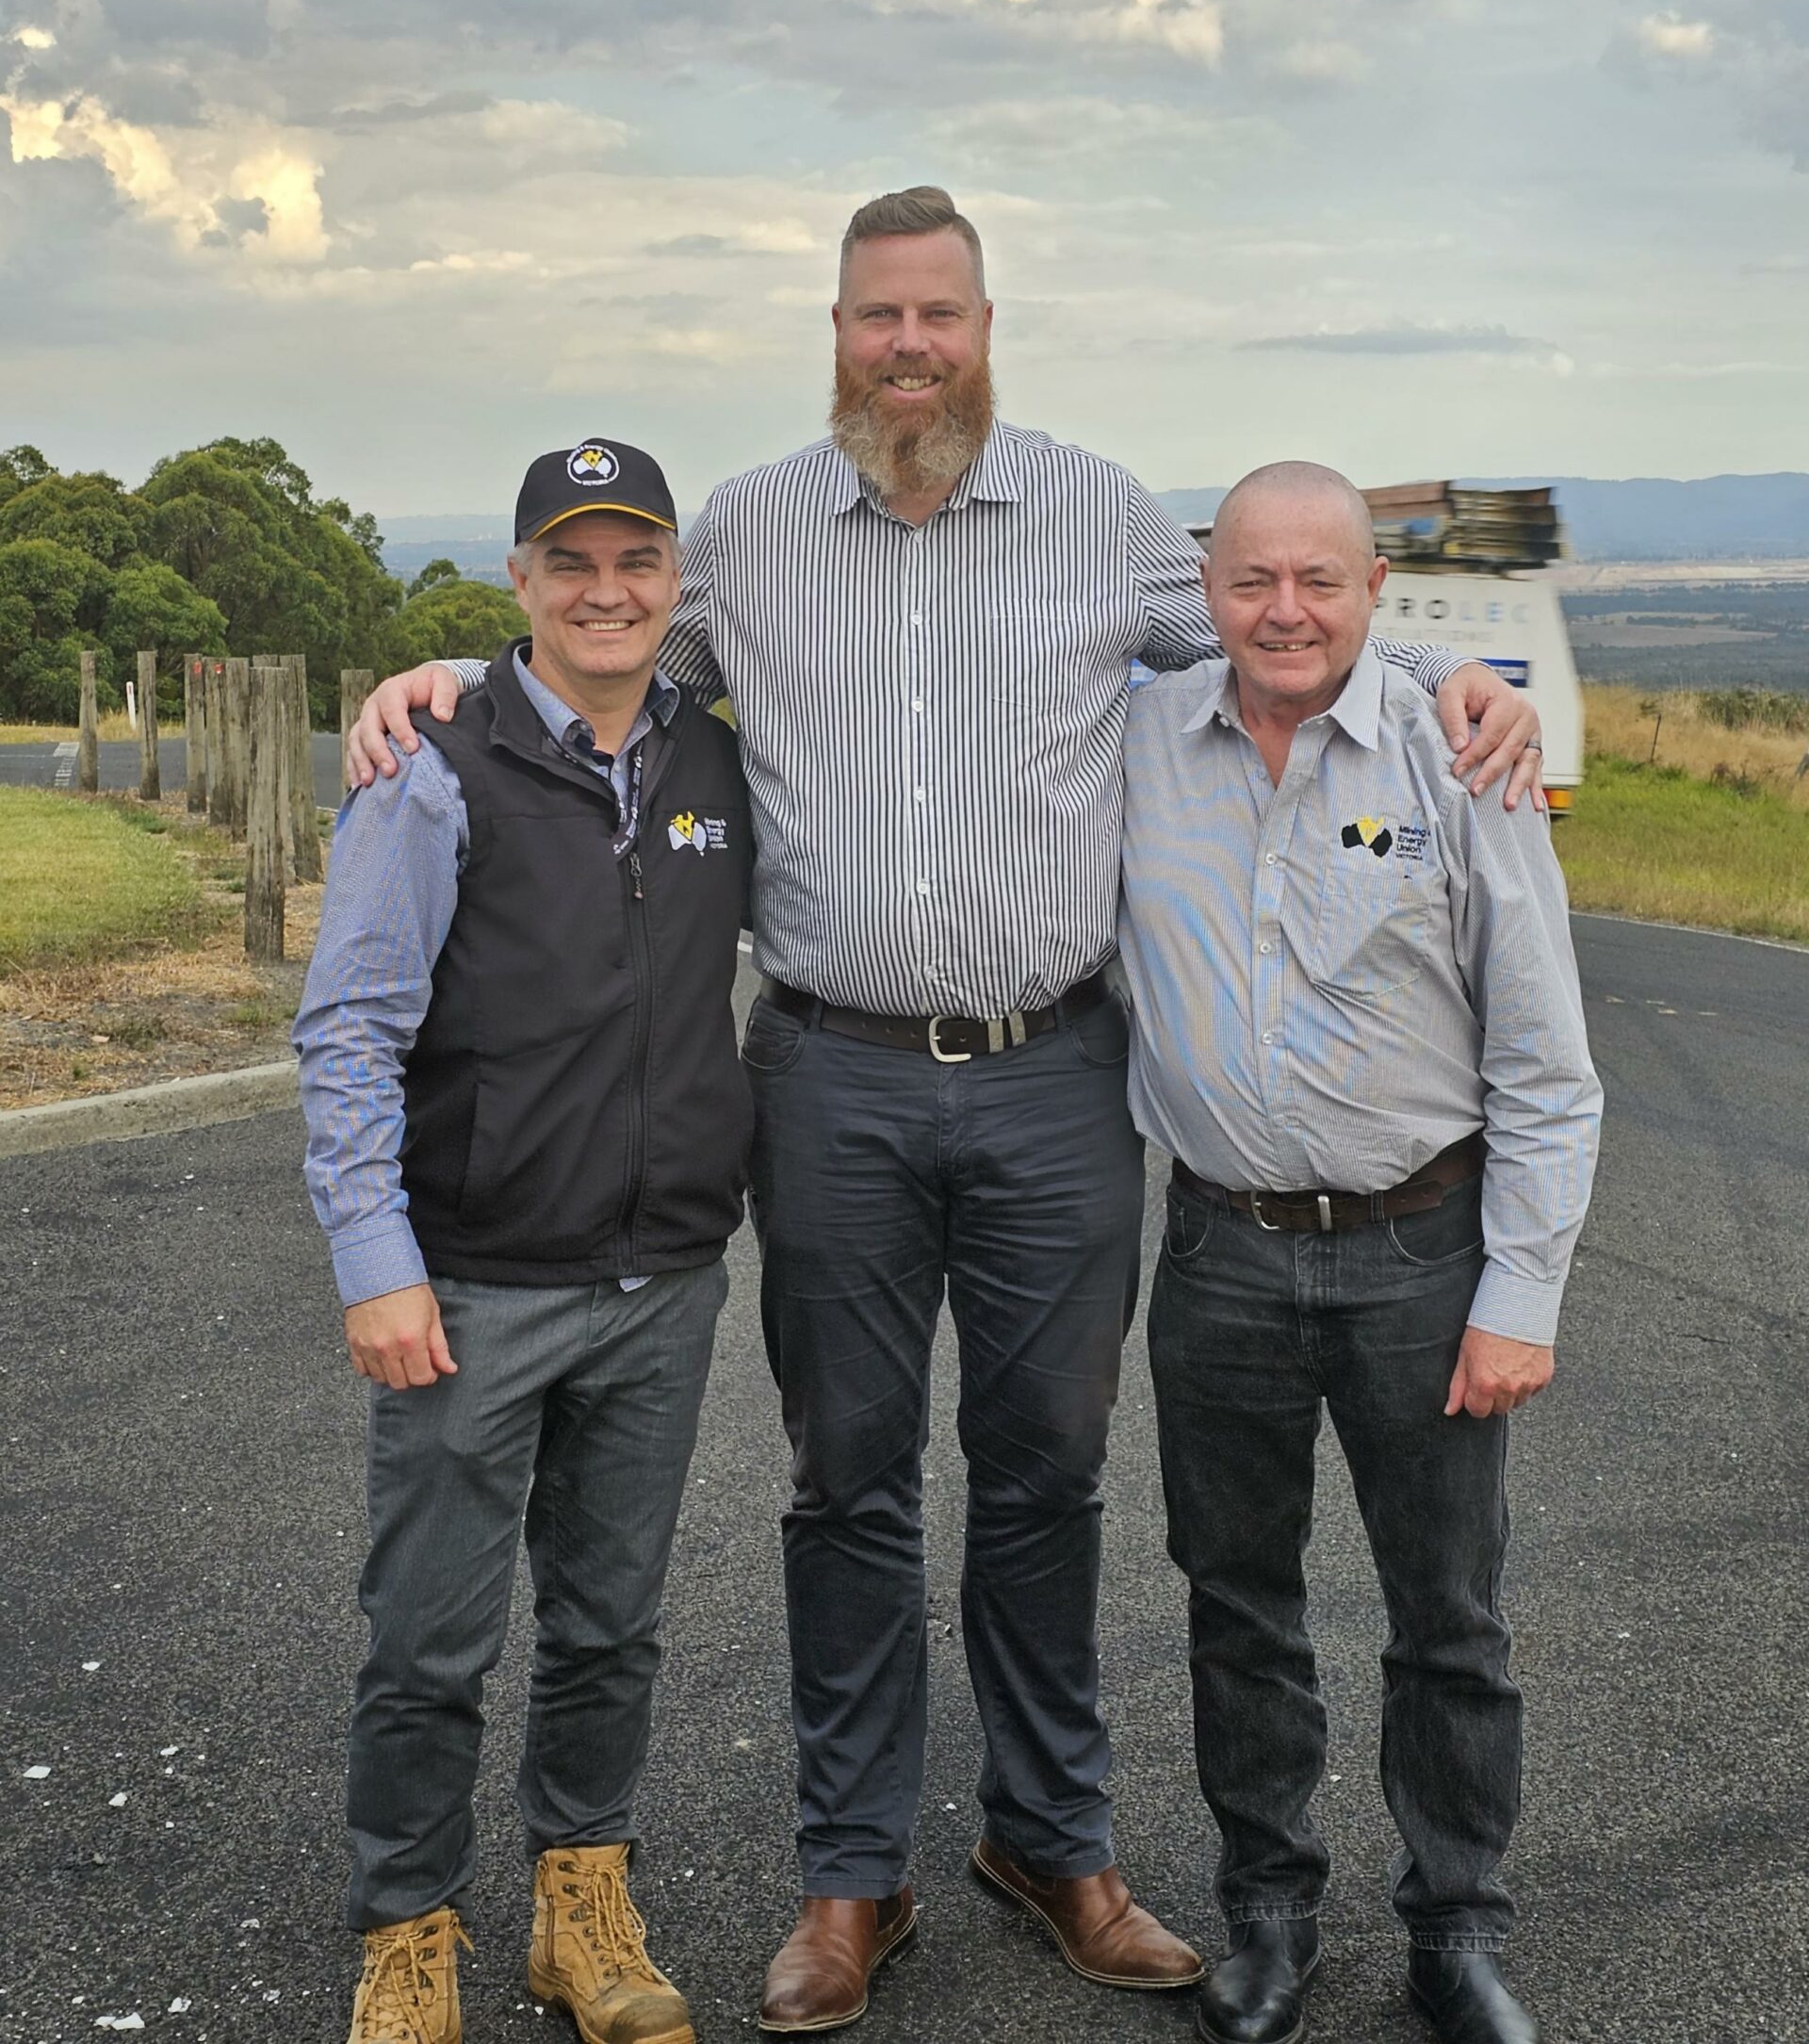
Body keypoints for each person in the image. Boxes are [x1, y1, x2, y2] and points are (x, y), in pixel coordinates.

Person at [349, 188, 1543, 2036]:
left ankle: (1050, 1842)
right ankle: (853, 1873)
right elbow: (594, 656)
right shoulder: (744, 533)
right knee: (848, 1485)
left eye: (940, 316)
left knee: (1048, 1475)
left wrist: (1449, 676)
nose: (909, 347)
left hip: (1058, 1075)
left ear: (987, 329)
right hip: (828, 1075)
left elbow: (1280, 631)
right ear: (836, 331)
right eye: (876, 316)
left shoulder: (1100, 516)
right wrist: (433, 679)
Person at [1117, 462, 1600, 2044]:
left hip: (1422, 1256)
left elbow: (1546, 1065)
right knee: (1238, 1606)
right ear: (1207, 590)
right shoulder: (1137, 742)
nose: (1285, 612)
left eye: (1320, 580)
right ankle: (1268, 1920)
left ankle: (1457, 1931)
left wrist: (1519, 1296)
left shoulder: (1461, 756)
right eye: (1253, 580)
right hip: (1219, 1254)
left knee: (1448, 1617)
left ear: (1373, 593)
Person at [296, 444, 752, 2044]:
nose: (605, 591)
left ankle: (581, 1908)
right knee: (429, 1639)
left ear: (675, 581)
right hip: (473, 1286)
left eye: (635, 560)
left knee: (609, 1627)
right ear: (519, 582)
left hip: (663, 1280)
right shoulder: (430, 762)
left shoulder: (717, 761)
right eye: (572, 562)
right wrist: (375, 1260)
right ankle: (407, 1929)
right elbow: (349, 1028)